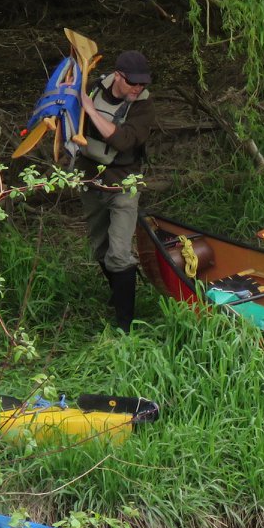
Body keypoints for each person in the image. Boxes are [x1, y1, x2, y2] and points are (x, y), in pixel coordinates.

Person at [76, 49, 157, 330]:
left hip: (125, 182)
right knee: (101, 249)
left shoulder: (144, 106)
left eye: (143, 83)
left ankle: (126, 325)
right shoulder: (94, 89)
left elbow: (124, 141)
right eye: (133, 82)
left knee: (120, 254)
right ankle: (119, 293)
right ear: (118, 76)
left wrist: (89, 110)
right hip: (90, 179)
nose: (139, 88)